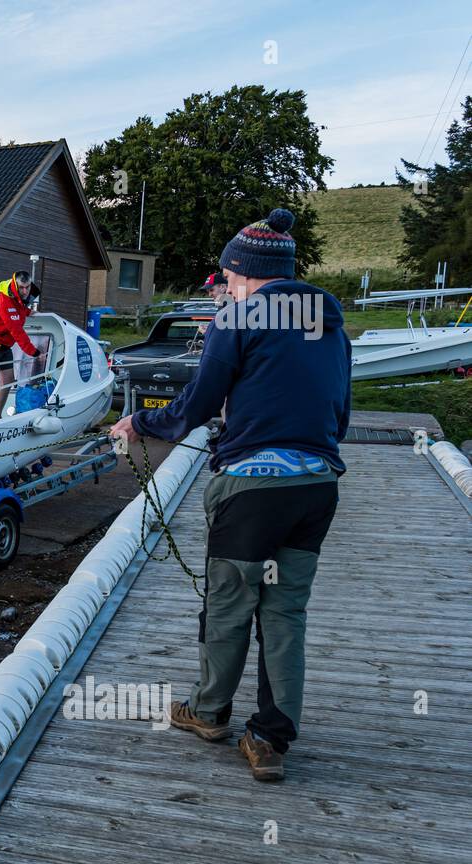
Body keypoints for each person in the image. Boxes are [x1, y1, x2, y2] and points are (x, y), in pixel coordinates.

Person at [109, 208, 351, 782]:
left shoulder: (237, 319)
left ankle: (209, 712)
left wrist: (140, 424)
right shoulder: (329, 323)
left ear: (242, 272)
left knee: (229, 605)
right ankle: (270, 739)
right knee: (285, 612)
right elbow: (338, 413)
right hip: (317, 485)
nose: (225, 287)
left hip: (251, 489)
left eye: (227, 277)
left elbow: (195, 404)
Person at [0, 272, 40, 426]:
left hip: (4, 345)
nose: (25, 291)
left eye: (28, 287)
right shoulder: (5, 300)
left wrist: (28, 312)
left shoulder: (17, 297)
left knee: (8, 379)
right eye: (22, 288)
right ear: (15, 285)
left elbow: (20, 308)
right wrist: (33, 352)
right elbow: (17, 331)